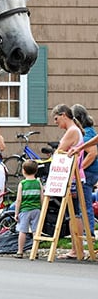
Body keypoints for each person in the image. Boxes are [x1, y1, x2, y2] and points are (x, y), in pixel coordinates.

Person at [52, 104, 86, 260]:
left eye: (56, 118)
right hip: (74, 175)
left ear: (64, 115)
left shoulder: (72, 131)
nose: (55, 122)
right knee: (74, 213)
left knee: (74, 214)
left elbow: (60, 151)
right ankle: (76, 247)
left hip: (72, 177)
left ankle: (76, 248)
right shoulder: (75, 131)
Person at [70, 104, 97, 236]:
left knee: (85, 204)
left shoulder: (85, 134)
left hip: (89, 172)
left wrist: (79, 169)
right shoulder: (91, 130)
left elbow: (92, 153)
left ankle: (88, 231)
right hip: (93, 171)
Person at [13, 160, 42, 258]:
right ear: (36, 171)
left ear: (23, 171)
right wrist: (41, 208)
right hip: (36, 209)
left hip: (25, 210)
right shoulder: (38, 183)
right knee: (35, 231)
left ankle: (20, 251)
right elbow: (42, 197)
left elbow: (19, 200)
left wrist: (16, 213)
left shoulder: (22, 183)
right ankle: (35, 251)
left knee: (22, 230)